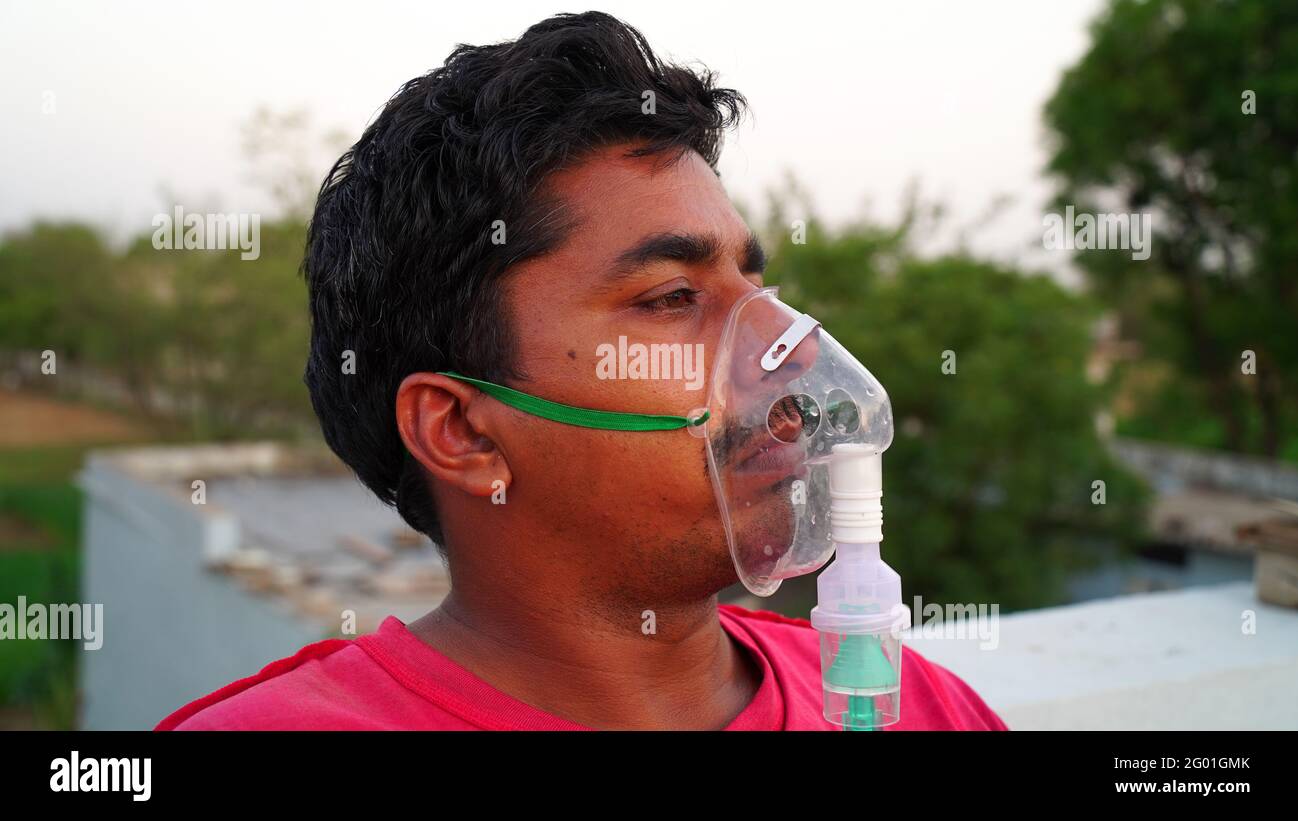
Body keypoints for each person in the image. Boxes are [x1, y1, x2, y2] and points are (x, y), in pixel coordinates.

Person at [157, 10, 1007, 731]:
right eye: (674, 296)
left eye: (754, 283)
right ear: (462, 432)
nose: (795, 351)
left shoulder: (918, 705)